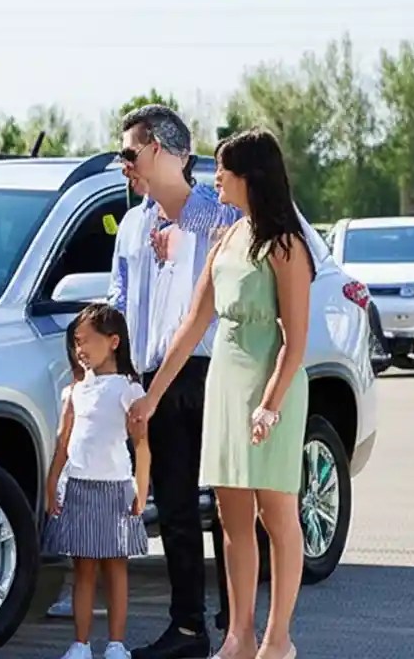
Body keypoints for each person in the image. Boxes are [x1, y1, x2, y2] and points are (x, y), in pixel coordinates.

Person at [129, 129, 311, 659]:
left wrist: (270, 406)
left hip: (270, 385)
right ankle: (240, 636)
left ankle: (278, 640)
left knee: (276, 515)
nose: (215, 180)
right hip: (226, 383)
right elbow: (192, 324)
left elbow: (295, 342)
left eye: (224, 173)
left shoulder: (286, 245)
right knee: (231, 518)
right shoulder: (226, 238)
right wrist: (153, 396)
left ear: (249, 177)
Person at [113, 105, 242, 659]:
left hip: (213, 373)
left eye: (130, 154)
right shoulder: (133, 225)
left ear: (164, 152)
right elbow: (120, 301)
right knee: (176, 507)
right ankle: (188, 629)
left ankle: (240, 627)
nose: (124, 166)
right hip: (152, 380)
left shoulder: (222, 217)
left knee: (234, 506)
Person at [43, 303, 151, 659]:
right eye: (76, 343)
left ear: (114, 341)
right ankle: (81, 643)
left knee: (116, 567)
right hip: (79, 487)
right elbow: (63, 441)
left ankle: (116, 644)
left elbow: (142, 446)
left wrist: (141, 487)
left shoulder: (128, 390)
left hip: (115, 489)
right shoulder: (75, 391)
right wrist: (52, 482)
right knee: (83, 568)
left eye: (87, 341)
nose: (80, 350)